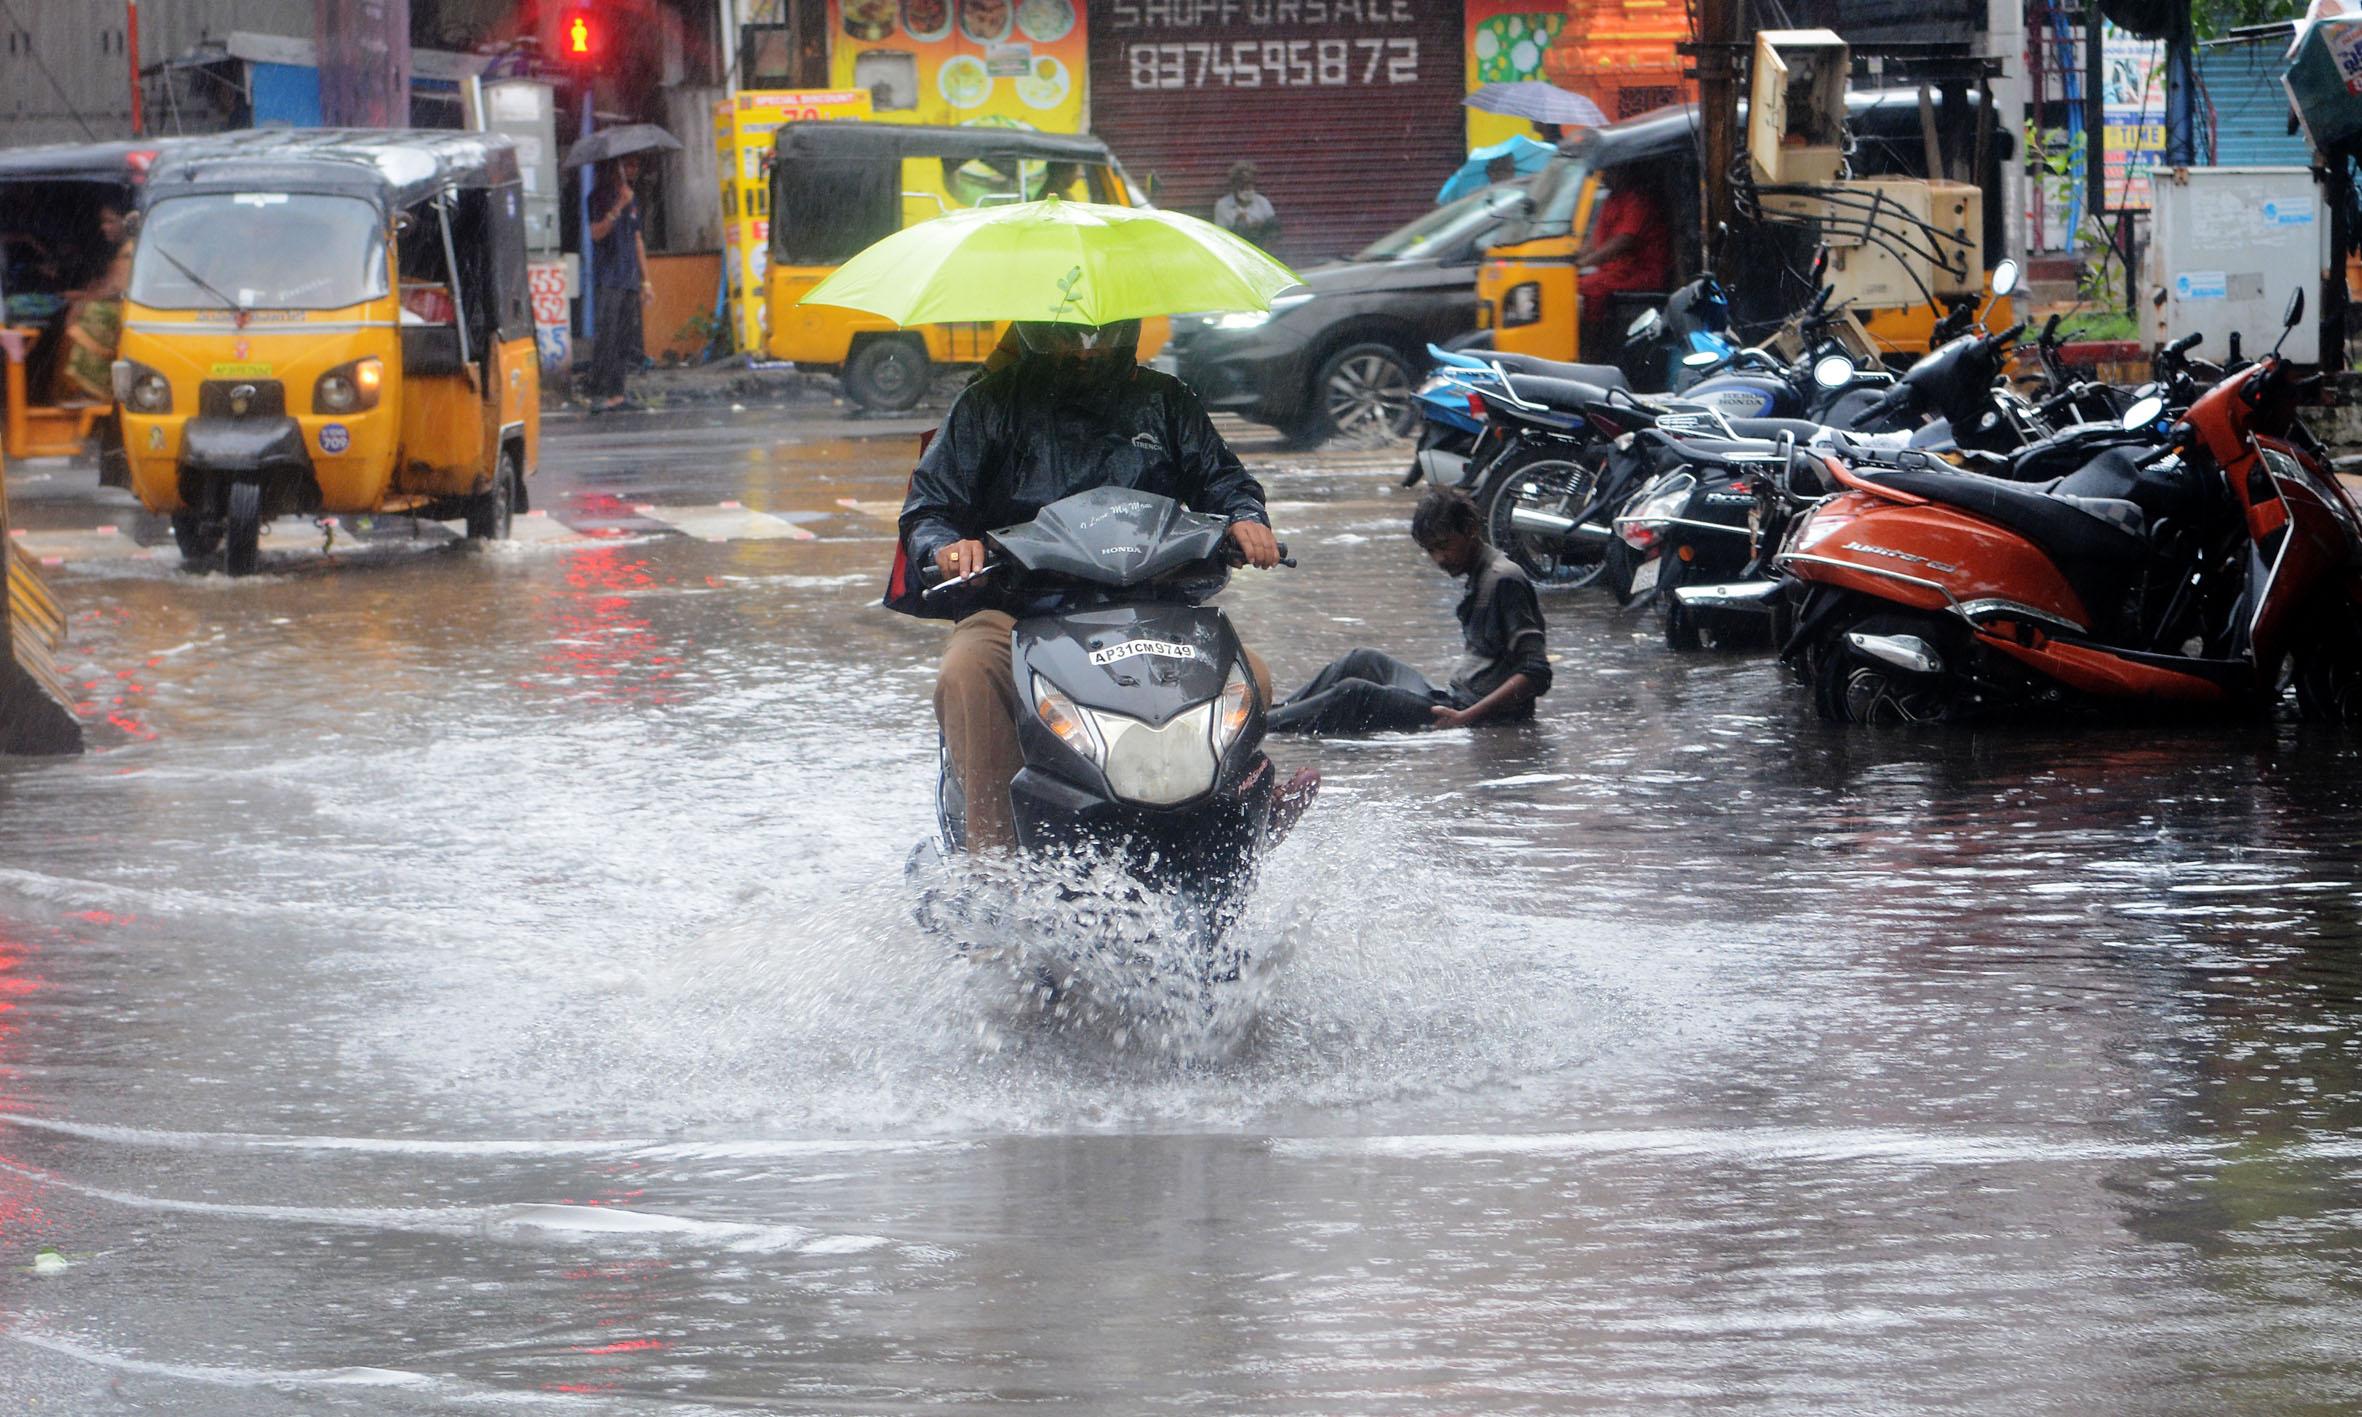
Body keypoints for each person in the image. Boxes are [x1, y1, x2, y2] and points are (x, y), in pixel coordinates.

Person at [894, 317, 1284, 853]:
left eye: (1099, 335)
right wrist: (947, 546)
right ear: (1034, 329)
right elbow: (929, 508)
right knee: (967, 671)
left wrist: (1245, 516)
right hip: (1022, 613)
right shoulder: (986, 406)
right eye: (1067, 335)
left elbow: (1225, 480)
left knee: (1252, 675)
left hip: (1153, 605)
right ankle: (993, 860)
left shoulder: (1167, 402)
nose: (1083, 350)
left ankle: (1239, 821)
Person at [1267, 487, 1550, 736]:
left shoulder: (1504, 579)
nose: (1439, 559)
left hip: (1471, 713)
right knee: (1362, 659)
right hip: (1453, 699)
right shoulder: (1479, 575)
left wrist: (1464, 719)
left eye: (1444, 546)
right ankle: (1273, 713)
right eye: (1430, 551)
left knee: (1354, 693)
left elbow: (1536, 674)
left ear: (1471, 530)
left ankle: (1262, 727)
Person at [1573, 165, 1672, 360]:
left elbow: (1623, 241)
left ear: (1622, 171)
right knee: (1571, 284)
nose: (1604, 176)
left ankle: (1593, 352)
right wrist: (1568, 260)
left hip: (1642, 273)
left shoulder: (1636, 200)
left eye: (1609, 171)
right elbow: (1594, 242)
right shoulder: (1611, 200)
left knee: (1587, 289)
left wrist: (1583, 263)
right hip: (1616, 271)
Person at [585, 153, 653, 414]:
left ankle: (618, 392)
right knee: (608, 338)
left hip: (628, 277)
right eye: (628, 164)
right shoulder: (598, 197)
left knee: (626, 338)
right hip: (609, 276)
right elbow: (595, 233)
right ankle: (600, 392)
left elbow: (637, 239)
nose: (633, 169)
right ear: (616, 167)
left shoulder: (632, 196)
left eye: (636, 164)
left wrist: (646, 281)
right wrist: (617, 208)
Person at [1212, 161, 1279, 250]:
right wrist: (1238, 226)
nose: (1248, 188)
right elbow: (1220, 236)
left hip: (1261, 248)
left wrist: (1261, 226)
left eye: (1251, 184)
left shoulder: (1262, 202)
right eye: (1243, 184)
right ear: (1234, 185)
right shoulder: (1223, 205)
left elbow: (1274, 229)